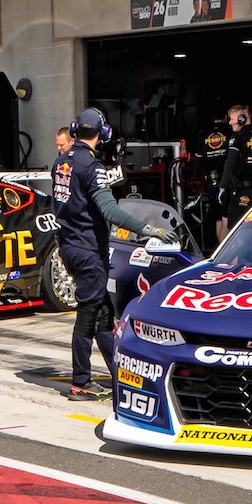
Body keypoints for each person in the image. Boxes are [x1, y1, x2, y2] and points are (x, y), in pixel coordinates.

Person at [52, 108, 173, 401]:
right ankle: (80, 382)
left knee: (104, 313)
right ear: (102, 133)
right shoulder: (92, 167)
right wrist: (149, 230)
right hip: (88, 249)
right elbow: (110, 210)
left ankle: (120, 375)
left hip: (69, 246)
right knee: (88, 315)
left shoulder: (61, 163)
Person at [208, 104, 252, 244]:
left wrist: (223, 187)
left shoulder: (237, 138)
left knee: (234, 230)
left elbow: (230, 163)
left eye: (232, 119)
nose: (230, 122)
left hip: (242, 191)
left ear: (242, 119)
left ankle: (225, 262)